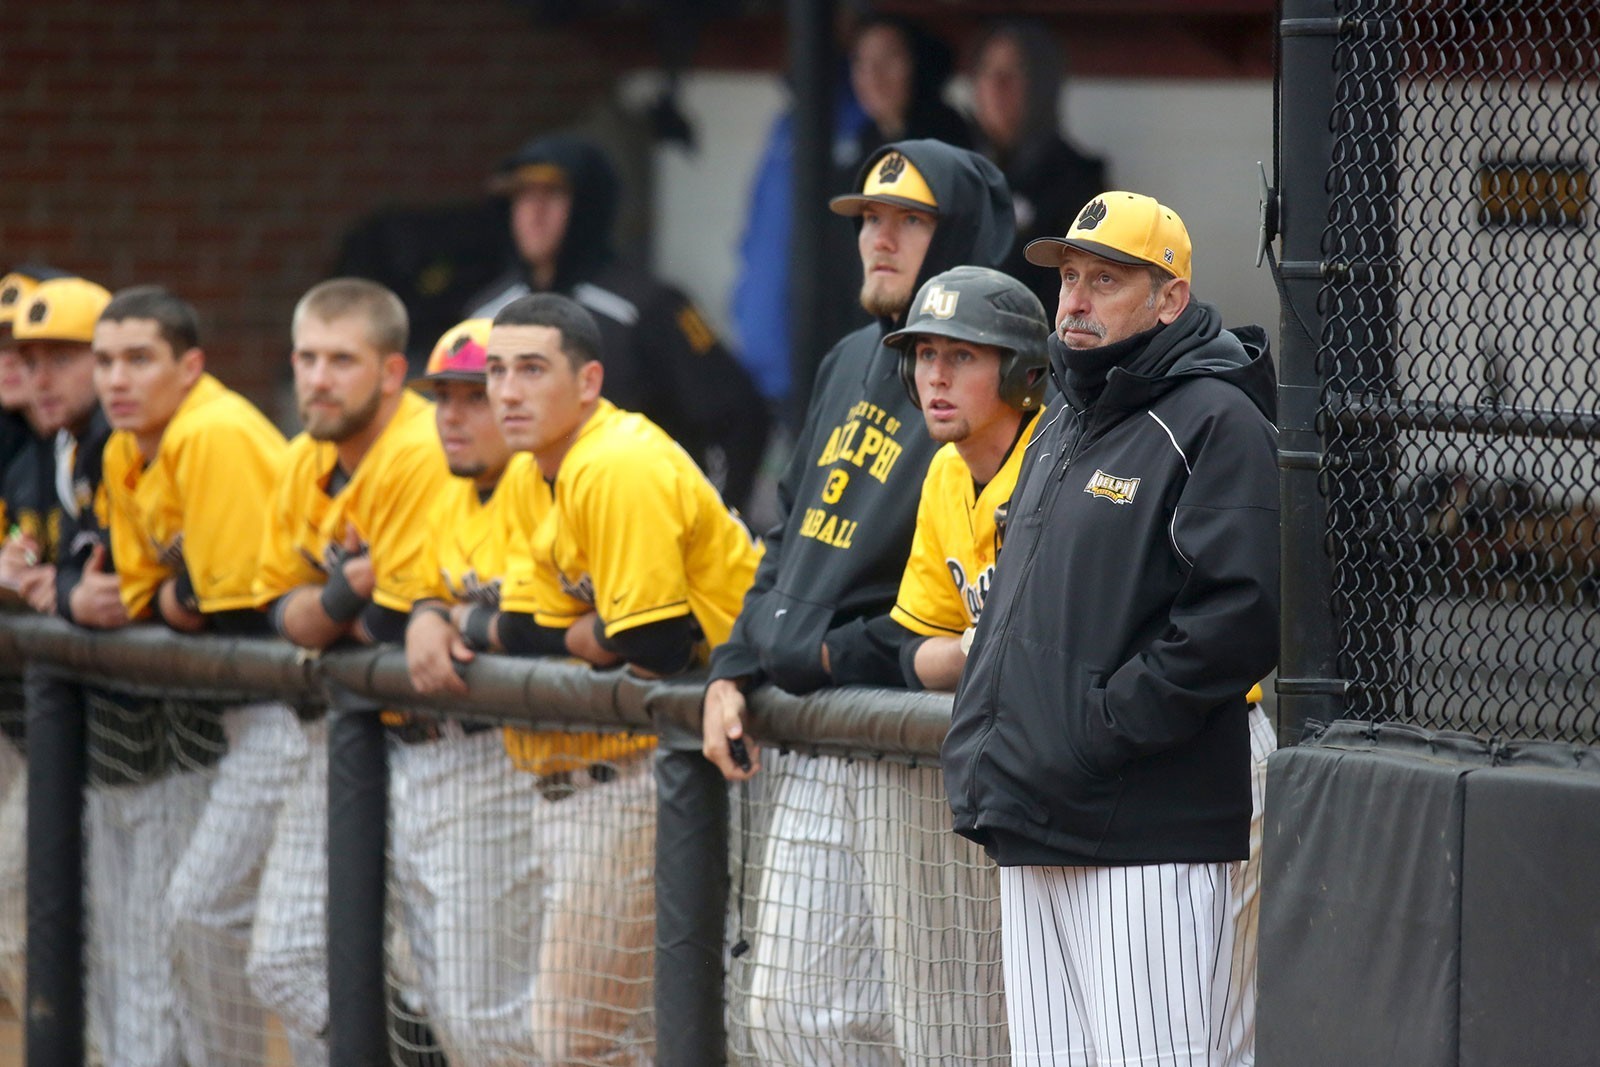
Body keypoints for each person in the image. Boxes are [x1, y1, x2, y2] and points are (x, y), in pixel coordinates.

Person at [943, 191, 1280, 1067]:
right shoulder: (1064, 415)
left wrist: (1100, 728)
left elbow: (1244, 613)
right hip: (1039, 802)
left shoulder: (1215, 417)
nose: (1077, 300)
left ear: (1170, 299)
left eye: (1106, 279)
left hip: (1148, 816)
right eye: (1069, 278)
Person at [700, 139, 1014, 1066]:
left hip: (914, 735)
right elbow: (791, 535)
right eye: (870, 218)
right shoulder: (847, 359)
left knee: (946, 1025)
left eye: (908, 219)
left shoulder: (995, 383)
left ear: (955, 233)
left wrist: (841, 656)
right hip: (813, 724)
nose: (879, 237)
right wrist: (733, 667)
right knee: (789, 1015)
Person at [451, 292, 763, 1063]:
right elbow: (525, 632)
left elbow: (653, 647)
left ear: (588, 381)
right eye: (496, 371)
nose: (507, 391)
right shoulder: (537, 470)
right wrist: (592, 635)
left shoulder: (615, 459)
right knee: (627, 1035)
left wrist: (590, 635)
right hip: (601, 778)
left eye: (531, 369)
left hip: (689, 763)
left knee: (572, 1037)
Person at [249, 278, 454, 1066]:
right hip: (347, 741)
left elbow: (387, 626)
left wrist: (331, 609)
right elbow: (286, 616)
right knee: (286, 960)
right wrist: (341, 591)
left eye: (342, 359)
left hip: (445, 739)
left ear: (392, 372)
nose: (318, 378)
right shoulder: (302, 458)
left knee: (456, 990)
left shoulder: (422, 448)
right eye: (307, 357)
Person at [92, 285, 297, 1067]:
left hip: (294, 710)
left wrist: (180, 599)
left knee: (213, 916)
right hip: (239, 717)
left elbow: (240, 606)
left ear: (191, 366)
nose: (118, 379)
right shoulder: (123, 446)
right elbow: (146, 599)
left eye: (140, 360)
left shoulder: (213, 430)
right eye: (106, 361)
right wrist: (182, 599)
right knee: (210, 924)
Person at [396, 317, 553, 1066]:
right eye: (442, 398)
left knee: (498, 1011)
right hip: (456, 761)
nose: (454, 416)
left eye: (474, 395)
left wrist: (446, 614)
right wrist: (431, 613)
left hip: (518, 759)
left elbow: (532, 624)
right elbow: (417, 596)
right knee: (454, 1003)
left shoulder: (541, 480)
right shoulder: (454, 491)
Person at [465, 131, 770, 512]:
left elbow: (739, 416)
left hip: (633, 528)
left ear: (589, 205)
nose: (534, 213)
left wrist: (712, 519)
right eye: (522, 196)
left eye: (552, 195)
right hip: (519, 543)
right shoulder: (485, 314)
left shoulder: (649, 306)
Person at [968, 19, 1108, 315]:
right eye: (987, 71)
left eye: (1012, 73)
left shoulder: (1079, 182)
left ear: (1042, 84)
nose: (996, 86)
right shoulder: (961, 170)